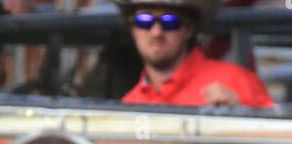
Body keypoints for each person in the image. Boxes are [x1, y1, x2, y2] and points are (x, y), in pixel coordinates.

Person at [117, 0, 275, 109]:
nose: (156, 32)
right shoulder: (128, 104)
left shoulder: (236, 81)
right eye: (144, 20)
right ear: (132, 29)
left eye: (170, 21)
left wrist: (242, 118)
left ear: (189, 29)